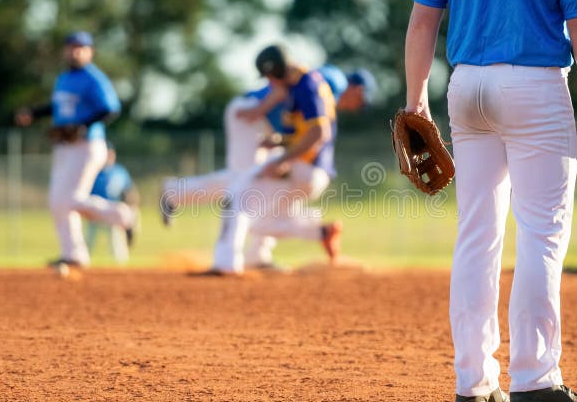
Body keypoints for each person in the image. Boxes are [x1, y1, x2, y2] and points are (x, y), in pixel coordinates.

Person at [405, 0, 577, 402]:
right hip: (534, 87)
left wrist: (417, 101)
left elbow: (422, 22)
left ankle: (473, 384)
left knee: (476, 235)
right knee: (541, 232)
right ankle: (535, 379)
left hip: (466, 88)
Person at [160, 62, 375, 269]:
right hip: (251, 114)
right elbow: (283, 91)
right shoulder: (328, 78)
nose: (357, 108)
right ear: (357, 88)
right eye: (362, 101)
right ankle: (174, 193)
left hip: (267, 125)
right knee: (244, 182)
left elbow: (300, 129)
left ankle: (258, 254)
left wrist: (280, 145)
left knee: (258, 191)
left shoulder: (326, 93)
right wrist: (260, 109)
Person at [207, 44, 340, 275]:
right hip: (310, 170)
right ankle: (319, 231)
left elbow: (319, 132)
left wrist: (282, 160)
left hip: (305, 168)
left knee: (239, 191)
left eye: (268, 76)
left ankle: (226, 264)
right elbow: (303, 131)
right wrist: (278, 142)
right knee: (258, 222)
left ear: (276, 72)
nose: (268, 82)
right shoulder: (298, 82)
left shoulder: (306, 85)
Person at [15, 31, 137, 271]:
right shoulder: (63, 79)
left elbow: (110, 108)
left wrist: (82, 126)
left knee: (71, 199)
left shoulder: (94, 78)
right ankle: (74, 254)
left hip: (88, 146)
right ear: (65, 50)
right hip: (64, 148)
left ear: (90, 52)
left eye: (81, 47)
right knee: (58, 201)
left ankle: (124, 216)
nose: (75, 51)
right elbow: (58, 107)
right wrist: (34, 113)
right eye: (71, 47)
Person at [85, 143, 138, 263]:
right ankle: (82, 262)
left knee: (116, 241)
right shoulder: (92, 170)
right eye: (107, 153)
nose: (109, 156)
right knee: (88, 240)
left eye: (111, 153)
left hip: (113, 211)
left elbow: (130, 192)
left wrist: (131, 210)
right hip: (95, 211)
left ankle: (119, 267)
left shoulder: (120, 171)